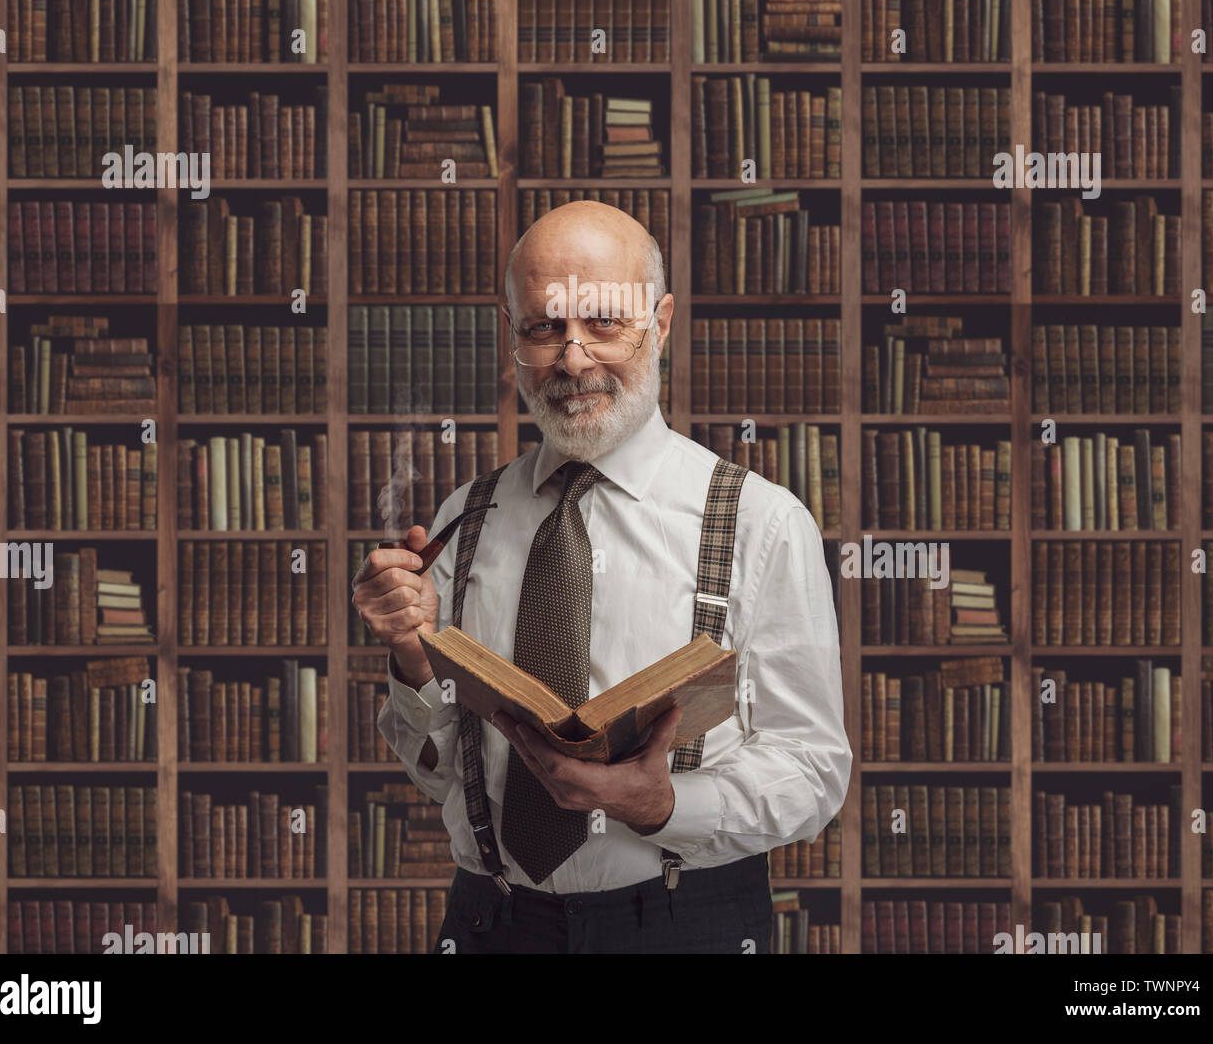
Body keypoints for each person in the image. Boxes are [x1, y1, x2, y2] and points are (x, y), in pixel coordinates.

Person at [351, 200, 850, 953]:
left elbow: (813, 771)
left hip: (687, 928)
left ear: (662, 323)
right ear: (512, 331)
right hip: (492, 926)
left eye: (605, 322)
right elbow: (444, 777)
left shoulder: (763, 523)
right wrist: (416, 664)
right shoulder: (467, 516)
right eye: (545, 326)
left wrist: (663, 805)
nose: (574, 358)